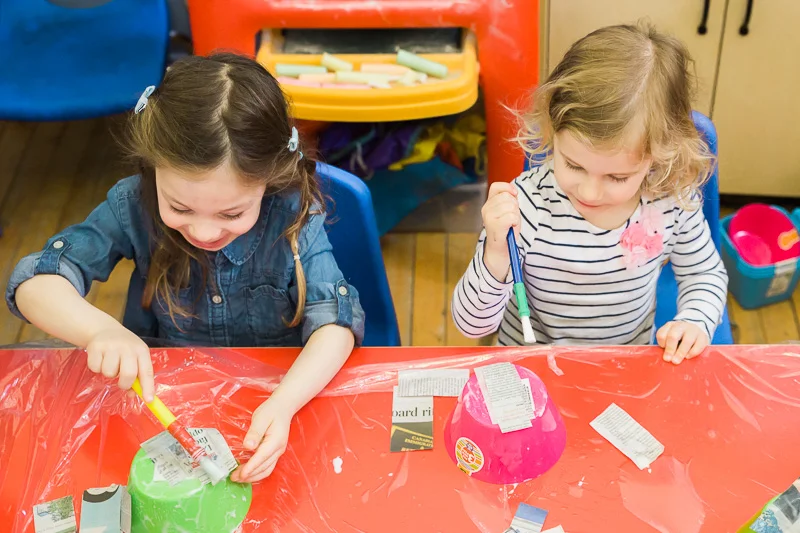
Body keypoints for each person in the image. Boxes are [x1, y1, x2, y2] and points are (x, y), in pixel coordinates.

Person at [5, 53, 365, 482]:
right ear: (154, 168)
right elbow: (34, 283)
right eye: (178, 206)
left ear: (269, 180)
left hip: (272, 400)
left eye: (231, 214)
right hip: (163, 405)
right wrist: (99, 332)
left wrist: (283, 404)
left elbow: (335, 325)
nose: (204, 230)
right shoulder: (131, 205)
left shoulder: (292, 215)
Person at [451, 23, 728, 364]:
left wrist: (694, 320)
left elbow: (705, 274)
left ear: (659, 154)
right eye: (574, 165)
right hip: (530, 367)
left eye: (616, 176)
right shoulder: (528, 208)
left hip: (624, 364)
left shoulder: (670, 203)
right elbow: (471, 325)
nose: (590, 191)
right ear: (553, 129)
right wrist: (495, 255)